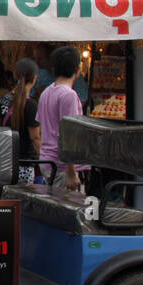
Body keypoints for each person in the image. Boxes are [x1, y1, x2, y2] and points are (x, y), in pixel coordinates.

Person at [36, 45, 85, 192]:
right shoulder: (68, 95)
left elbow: (41, 127)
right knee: (74, 211)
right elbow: (69, 134)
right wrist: (71, 171)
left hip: (47, 161)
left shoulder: (46, 92)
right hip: (62, 167)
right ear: (77, 69)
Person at [0, 58, 41, 184]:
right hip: (23, 165)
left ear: (14, 76)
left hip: (2, 164)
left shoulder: (4, 99)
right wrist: (45, 160)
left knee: (3, 201)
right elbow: (35, 137)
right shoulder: (31, 105)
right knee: (20, 203)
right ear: (35, 78)